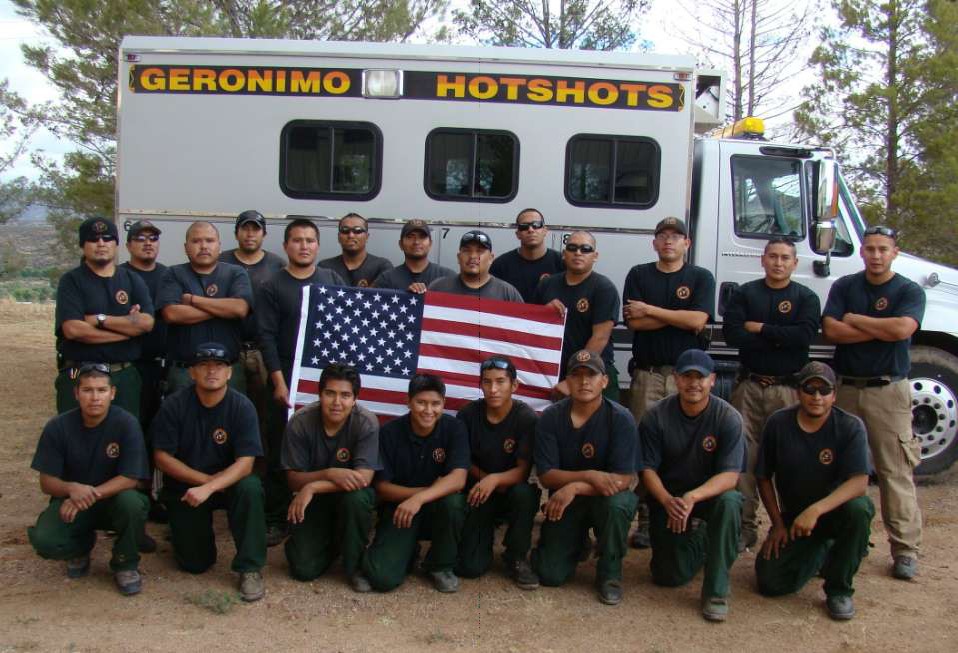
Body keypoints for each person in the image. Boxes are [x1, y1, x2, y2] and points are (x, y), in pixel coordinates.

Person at [822, 224, 925, 581]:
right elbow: (832, 331)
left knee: (894, 471)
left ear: (895, 251)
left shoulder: (908, 290)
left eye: (883, 249)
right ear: (862, 252)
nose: (876, 255)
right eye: (870, 249)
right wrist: (880, 327)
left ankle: (905, 550)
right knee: (842, 470)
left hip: (888, 391)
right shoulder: (845, 286)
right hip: (846, 389)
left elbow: (902, 331)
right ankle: (845, 540)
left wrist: (857, 320)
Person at [755, 361, 875, 621]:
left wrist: (816, 509)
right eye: (810, 389)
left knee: (860, 508)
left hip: (834, 514)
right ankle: (822, 552)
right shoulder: (778, 423)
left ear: (834, 394)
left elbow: (859, 482)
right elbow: (763, 477)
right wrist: (777, 524)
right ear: (799, 392)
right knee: (769, 582)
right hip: (795, 520)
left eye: (824, 391)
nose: (817, 397)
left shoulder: (850, 426)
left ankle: (839, 589)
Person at [623, 216, 715, 549]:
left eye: (676, 237)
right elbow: (635, 322)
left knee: (683, 449)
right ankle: (647, 520)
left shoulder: (700, 277)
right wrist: (676, 317)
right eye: (662, 235)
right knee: (645, 449)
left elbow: (698, 320)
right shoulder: (639, 274)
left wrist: (652, 310)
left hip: (686, 380)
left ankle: (685, 513)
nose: (669, 241)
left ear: (687, 244)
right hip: (647, 375)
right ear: (654, 242)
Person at [722, 238, 820, 551]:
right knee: (744, 460)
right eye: (773, 257)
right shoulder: (746, 293)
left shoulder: (806, 297)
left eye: (785, 258)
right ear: (762, 260)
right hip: (749, 387)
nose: (778, 263)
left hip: (788, 390)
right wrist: (779, 335)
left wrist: (760, 328)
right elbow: (733, 335)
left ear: (795, 263)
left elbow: (803, 337)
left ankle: (789, 527)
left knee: (791, 461)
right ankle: (744, 528)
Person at [151, 342, 267, 602]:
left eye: (219, 366)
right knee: (194, 564)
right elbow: (162, 457)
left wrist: (212, 487)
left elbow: (246, 462)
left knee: (250, 488)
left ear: (229, 373)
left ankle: (250, 568)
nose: (211, 371)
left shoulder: (242, 406)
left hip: (231, 483)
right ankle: (186, 532)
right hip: (188, 486)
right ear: (192, 372)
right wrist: (206, 484)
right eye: (203, 365)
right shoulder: (174, 405)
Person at [638, 349, 745, 622]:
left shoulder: (728, 417)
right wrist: (666, 500)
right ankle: (706, 542)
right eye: (687, 376)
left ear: (713, 380)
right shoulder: (656, 416)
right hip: (669, 500)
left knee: (731, 502)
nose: (693, 383)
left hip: (708, 497)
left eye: (701, 377)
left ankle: (716, 591)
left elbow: (730, 477)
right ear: (675, 379)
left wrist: (692, 497)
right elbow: (646, 468)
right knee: (668, 576)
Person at [258, 218, 346, 546]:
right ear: (285, 247)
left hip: (324, 375)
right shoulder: (272, 286)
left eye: (310, 240)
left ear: (318, 246)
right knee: (283, 446)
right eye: (297, 240)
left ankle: (319, 509)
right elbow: (265, 336)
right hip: (286, 374)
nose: (304, 246)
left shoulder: (330, 279)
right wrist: (279, 383)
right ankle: (275, 516)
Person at [27, 363, 150, 595]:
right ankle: (79, 548)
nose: (95, 397)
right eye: (88, 390)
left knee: (132, 504)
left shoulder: (126, 424)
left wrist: (87, 495)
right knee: (45, 541)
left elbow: (131, 478)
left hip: (112, 501)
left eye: (101, 390)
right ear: (76, 393)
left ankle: (125, 564)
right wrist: (71, 488)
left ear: (112, 393)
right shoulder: (58, 427)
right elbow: (47, 482)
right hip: (73, 502)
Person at [531, 350, 638, 605]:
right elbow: (546, 476)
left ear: (605, 381)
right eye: (576, 375)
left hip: (606, 499)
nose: (584, 382)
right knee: (550, 575)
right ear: (567, 381)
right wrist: (589, 476)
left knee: (617, 505)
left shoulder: (621, 418)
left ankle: (610, 574)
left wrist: (576, 486)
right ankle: (576, 544)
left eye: (591, 375)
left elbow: (622, 479)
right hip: (566, 502)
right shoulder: (551, 417)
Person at [358, 374, 469, 593]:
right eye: (421, 402)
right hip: (401, 510)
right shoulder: (390, 432)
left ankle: (439, 565)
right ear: (408, 402)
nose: (429, 410)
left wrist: (419, 498)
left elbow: (458, 479)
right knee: (382, 578)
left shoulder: (454, 428)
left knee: (454, 502)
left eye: (435, 404)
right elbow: (382, 488)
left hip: (435, 508)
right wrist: (422, 494)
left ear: (443, 404)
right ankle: (407, 552)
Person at [282, 363, 379, 589]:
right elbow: (292, 478)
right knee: (303, 570)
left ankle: (354, 565)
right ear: (319, 394)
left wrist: (314, 486)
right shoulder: (300, 421)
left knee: (358, 498)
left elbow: (363, 478)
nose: (337, 402)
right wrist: (329, 473)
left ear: (355, 399)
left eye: (345, 395)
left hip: (346, 497)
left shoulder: (366, 422)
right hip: (312, 503)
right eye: (330, 393)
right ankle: (328, 543)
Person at [54, 216, 155, 416]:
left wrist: (99, 320)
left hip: (123, 376)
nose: (101, 243)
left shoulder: (131, 279)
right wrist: (126, 332)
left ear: (116, 244)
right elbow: (73, 330)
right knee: (76, 441)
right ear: (83, 245)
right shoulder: (71, 281)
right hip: (79, 375)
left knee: (124, 439)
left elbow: (146, 323)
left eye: (107, 238)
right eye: (93, 239)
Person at [455, 356, 540, 589]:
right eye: (486, 382)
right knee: (471, 568)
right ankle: (476, 541)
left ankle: (516, 555)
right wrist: (484, 480)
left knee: (526, 493)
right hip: (477, 492)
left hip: (510, 489)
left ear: (514, 386)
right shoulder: (468, 415)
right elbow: (461, 461)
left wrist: (494, 479)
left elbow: (523, 471)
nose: (493, 389)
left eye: (500, 382)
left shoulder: (526, 418)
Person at [219, 210, 286, 463]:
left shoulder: (277, 265)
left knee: (265, 416)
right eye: (245, 228)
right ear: (236, 232)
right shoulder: (222, 262)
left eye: (255, 229)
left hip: (263, 351)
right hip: (230, 350)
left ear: (264, 234)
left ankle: (263, 473)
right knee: (231, 413)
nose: (250, 234)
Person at [157, 221, 253, 394]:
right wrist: (222, 308)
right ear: (186, 247)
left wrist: (193, 300)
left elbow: (239, 309)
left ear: (219, 246)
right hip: (184, 372)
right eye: (196, 241)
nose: (203, 246)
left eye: (209, 240)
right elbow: (172, 314)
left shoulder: (236, 273)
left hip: (228, 370)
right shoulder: (172, 274)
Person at [535, 230, 620, 400]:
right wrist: (544, 311)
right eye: (572, 248)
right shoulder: (547, 285)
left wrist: (573, 378)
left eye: (585, 249)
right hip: (552, 374)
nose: (578, 253)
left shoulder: (603, 288)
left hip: (592, 373)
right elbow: (532, 326)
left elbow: (600, 338)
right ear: (564, 254)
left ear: (595, 256)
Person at [120, 220, 168, 431]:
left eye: (153, 238)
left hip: (165, 366)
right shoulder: (118, 276)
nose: (148, 243)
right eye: (140, 239)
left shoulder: (170, 276)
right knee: (131, 425)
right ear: (129, 245)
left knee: (160, 427)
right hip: (130, 365)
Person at [489, 208, 564, 302]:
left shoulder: (561, 262)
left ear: (545, 231)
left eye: (536, 225)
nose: (531, 230)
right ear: (518, 234)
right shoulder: (500, 265)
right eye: (524, 227)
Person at [427, 230, 524, 301]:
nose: (473, 256)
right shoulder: (438, 288)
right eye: (466, 250)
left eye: (480, 251)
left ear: (491, 258)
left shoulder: (508, 294)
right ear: (458, 257)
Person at [373, 219, 455, 292]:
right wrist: (407, 298)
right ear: (401, 244)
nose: (416, 242)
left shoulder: (447, 277)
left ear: (430, 244)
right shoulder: (387, 279)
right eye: (410, 237)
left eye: (422, 237)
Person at [318, 212, 392, 288]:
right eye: (345, 230)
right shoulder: (325, 267)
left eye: (357, 231)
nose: (351, 235)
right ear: (339, 237)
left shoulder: (382, 266)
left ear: (367, 236)